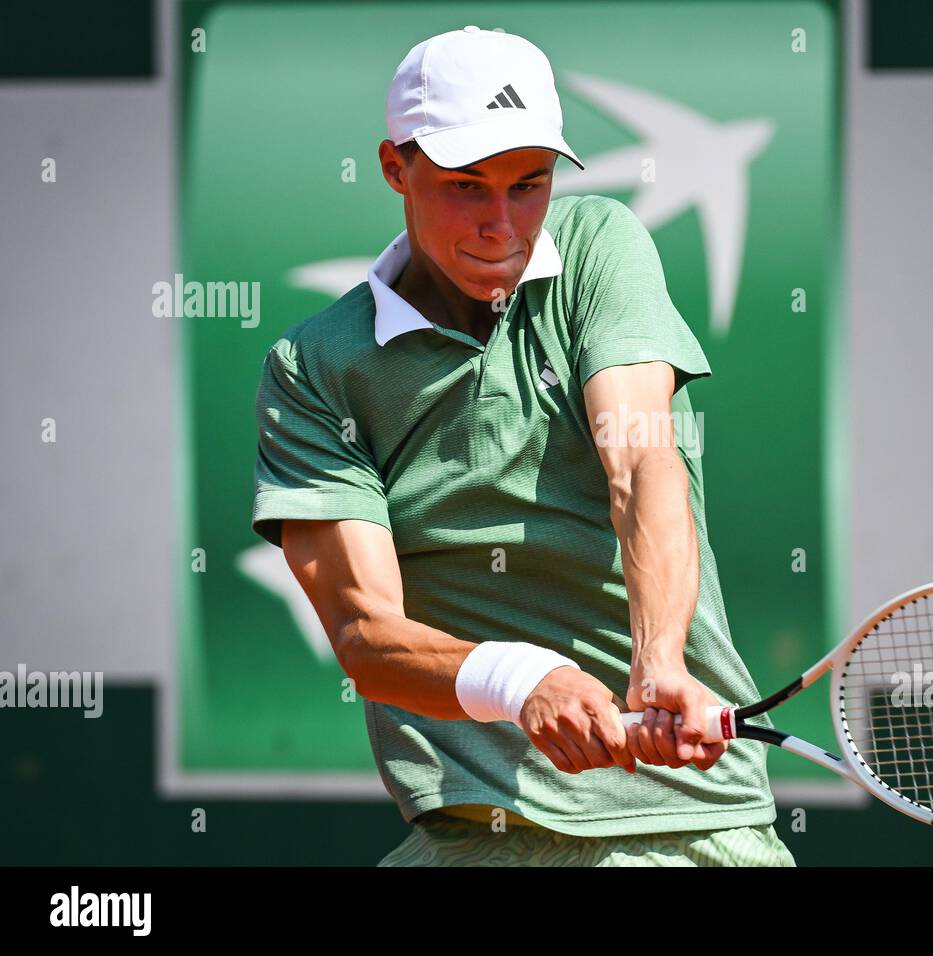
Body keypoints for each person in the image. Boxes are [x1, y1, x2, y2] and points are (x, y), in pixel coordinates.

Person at [250, 25, 794, 866]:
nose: (502, 224)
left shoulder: (596, 249)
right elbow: (365, 634)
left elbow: (641, 458)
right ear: (396, 168)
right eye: (466, 187)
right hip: (472, 834)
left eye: (529, 184)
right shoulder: (315, 368)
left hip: (684, 830)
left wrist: (655, 664)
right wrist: (521, 680)